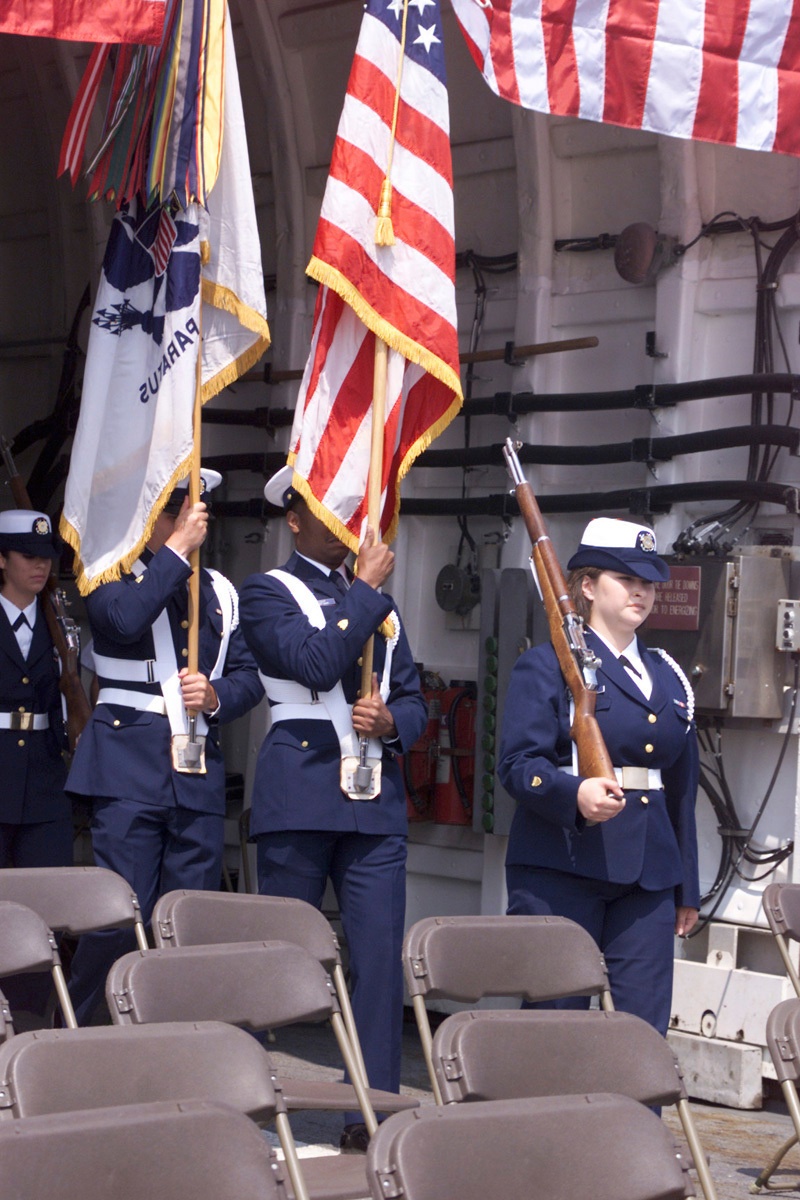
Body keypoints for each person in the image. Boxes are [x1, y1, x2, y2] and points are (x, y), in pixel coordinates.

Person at [238, 467, 427, 1152]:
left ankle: (371, 1110)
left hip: (372, 801)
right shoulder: (267, 592)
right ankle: (245, 1104)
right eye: (325, 510)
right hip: (301, 789)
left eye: (347, 508)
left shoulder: (381, 603)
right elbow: (313, 663)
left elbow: (416, 698)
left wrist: (393, 722)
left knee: (377, 962)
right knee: (277, 960)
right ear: (293, 520)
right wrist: (369, 592)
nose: (343, 521)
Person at [66, 470, 263, 1025]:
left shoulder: (220, 590)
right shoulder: (107, 570)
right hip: (128, 770)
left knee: (183, 927)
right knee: (117, 923)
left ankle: (171, 1047)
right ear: (153, 518)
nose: (189, 522)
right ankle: (85, 1044)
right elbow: (125, 621)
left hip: (195, 773)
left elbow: (250, 675)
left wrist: (218, 695)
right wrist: (175, 552)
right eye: (176, 513)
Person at [498, 517, 700, 1037]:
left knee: (640, 1032)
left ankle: (635, 1123)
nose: (641, 592)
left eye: (649, 583)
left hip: (649, 873)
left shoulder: (668, 674)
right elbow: (519, 766)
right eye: (625, 580)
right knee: (553, 1025)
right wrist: (574, 792)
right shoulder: (546, 667)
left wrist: (687, 889)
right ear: (587, 587)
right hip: (562, 864)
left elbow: (680, 789)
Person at [0, 510, 73, 1017]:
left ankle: (28, 1017)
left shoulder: (59, 621)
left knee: (41, 905)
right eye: (28, 556)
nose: (40, 566)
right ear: (2, 560)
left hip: (45, 779)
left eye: (46, 557)